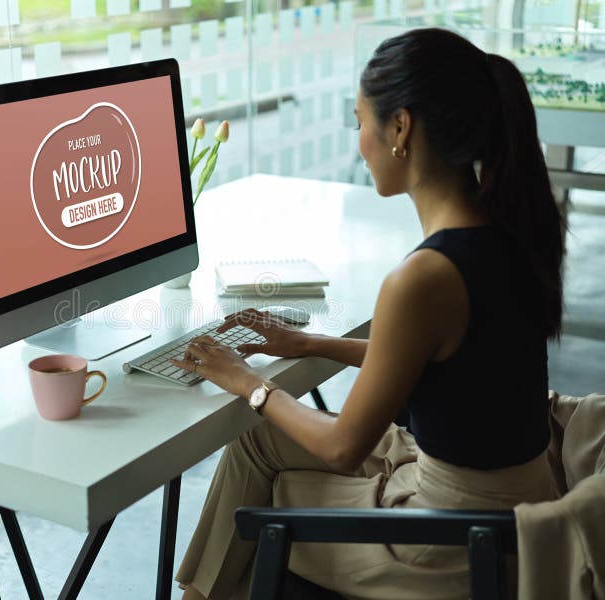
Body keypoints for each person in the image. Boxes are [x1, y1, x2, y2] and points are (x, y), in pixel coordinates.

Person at [170, 27, 567, 600]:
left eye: (360, 121)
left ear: (400, 128)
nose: (359, 140)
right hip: (514, 505)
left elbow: (342, 449)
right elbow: (450, 368)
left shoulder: (423, 277)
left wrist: (246, 382)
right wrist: (311, 345)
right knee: (257, 446)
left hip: (452, 540)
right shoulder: (504, 229)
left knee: (261, 505)